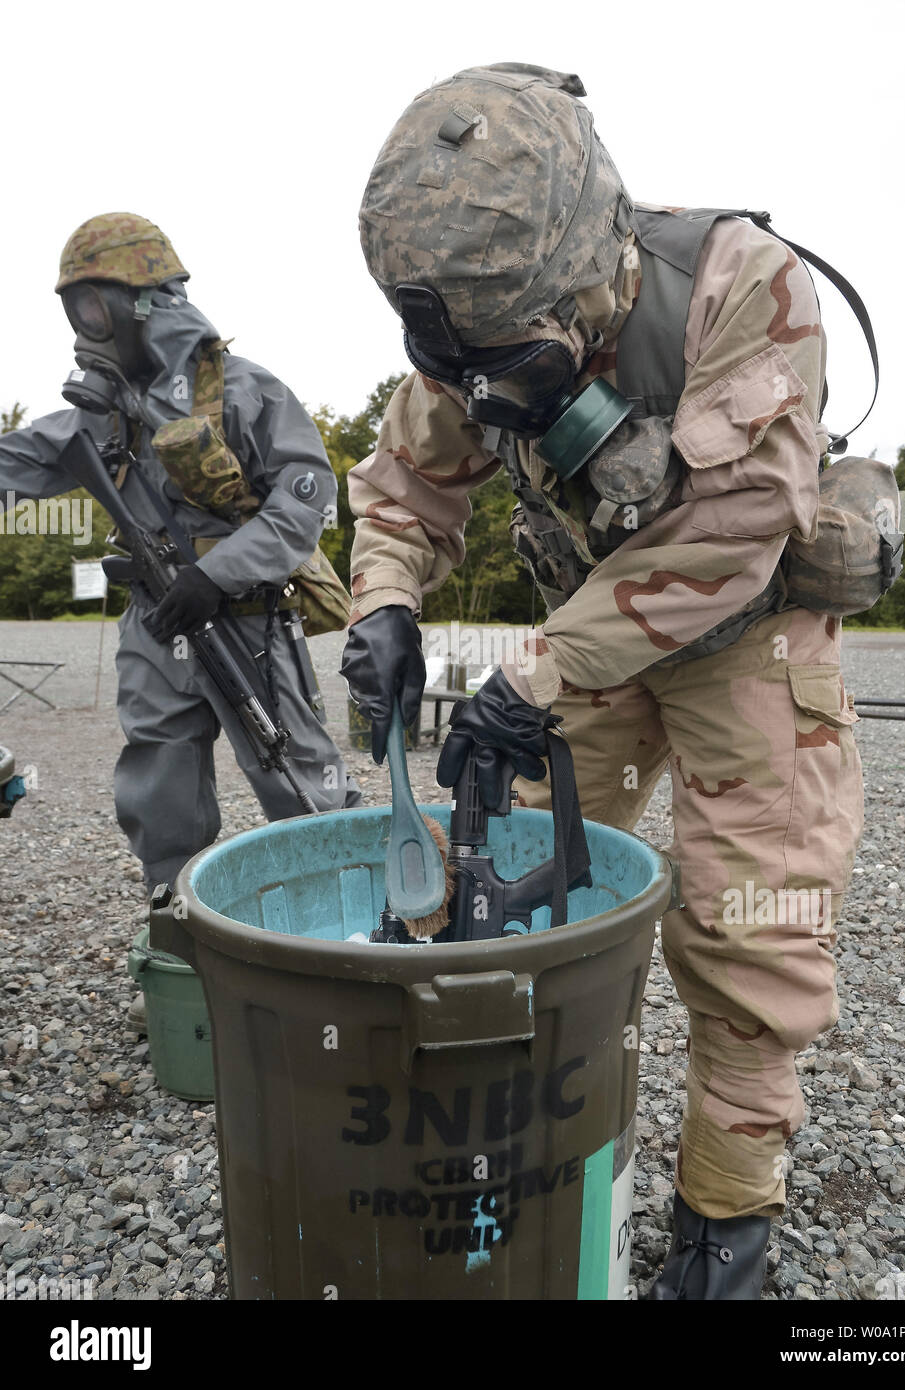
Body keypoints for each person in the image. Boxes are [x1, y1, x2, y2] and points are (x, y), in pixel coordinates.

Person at [340, 64, 864, 1299]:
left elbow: (735, 528)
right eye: (455, 356)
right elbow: (403, 486)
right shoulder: (474, 320)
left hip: (750, 641)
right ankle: (498, 1137)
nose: (481, 381)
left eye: (509, 356)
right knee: (492, 871)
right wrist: (384, 604)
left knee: (748, 933)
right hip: (589, 632)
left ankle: (721, 1232)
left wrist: (534, 667)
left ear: (584, 271)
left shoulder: (743, 288)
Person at [0, 212, 361, 900]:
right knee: (158, 779)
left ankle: (347, 925)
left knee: (296, 779)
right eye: (76, 309)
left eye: (94, 307)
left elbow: (304, 503)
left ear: (146, 303)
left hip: (245, 620)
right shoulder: (100, 417)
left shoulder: (243, 392)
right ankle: (178, 933)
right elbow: (13, 464)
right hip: (154, 618)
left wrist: (216, 573)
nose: (86, 326)